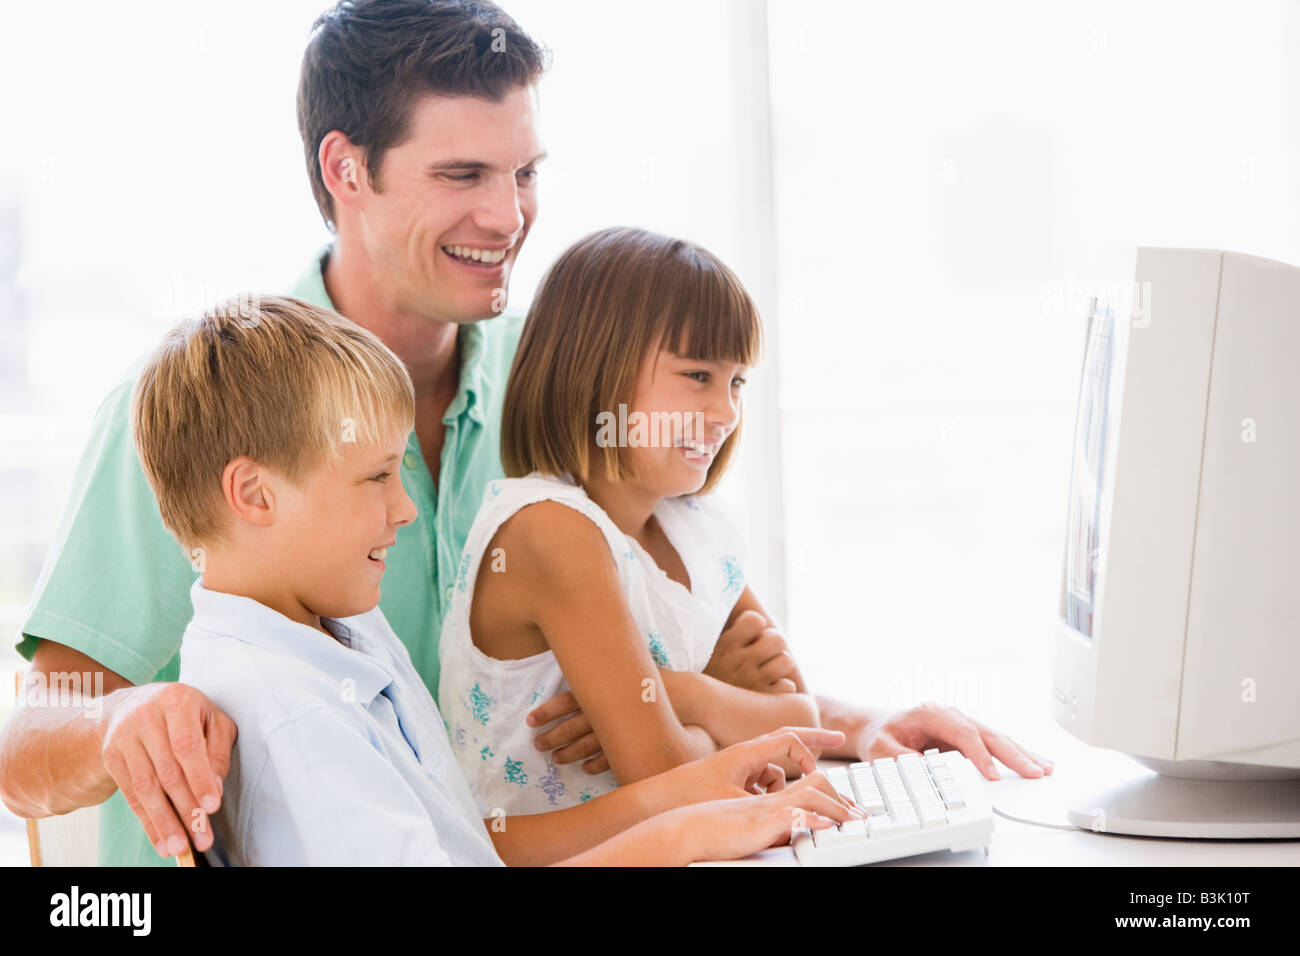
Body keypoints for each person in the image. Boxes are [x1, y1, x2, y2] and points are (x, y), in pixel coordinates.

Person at [0, 0, 551, 865]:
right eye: (462, 175)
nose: (509, 215)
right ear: (346, 168)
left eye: (524, 173)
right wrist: (115, 721)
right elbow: (20, 757)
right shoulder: (200, 407)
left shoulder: (553, 379)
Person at [133, 294, 859, 865]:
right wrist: (680, 839)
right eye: (378, 477)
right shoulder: (295, 709)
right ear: (255, 495)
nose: (406, 509)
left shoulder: (335, 628)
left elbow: (472, 848)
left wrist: (689, 796)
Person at [439, 227, 1055, 816]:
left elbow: (797, 710)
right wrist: (718, 722)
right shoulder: (551, 531)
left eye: (736, 381)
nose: (725, 411)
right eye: (698, 376)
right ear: (593, 370)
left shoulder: (689, 527)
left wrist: (690, 695)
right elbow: (680, 784)